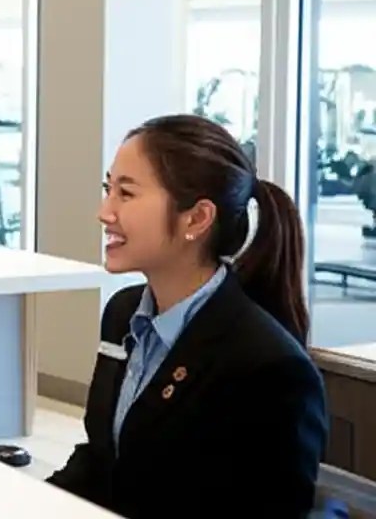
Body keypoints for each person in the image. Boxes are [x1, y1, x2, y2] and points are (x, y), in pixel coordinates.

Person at [47, 114, 327, 518]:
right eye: (109, 189)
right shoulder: (124, 314)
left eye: (126, 194)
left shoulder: (270, 368)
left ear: (196, 218)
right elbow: (101, 460)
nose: (105, 212)